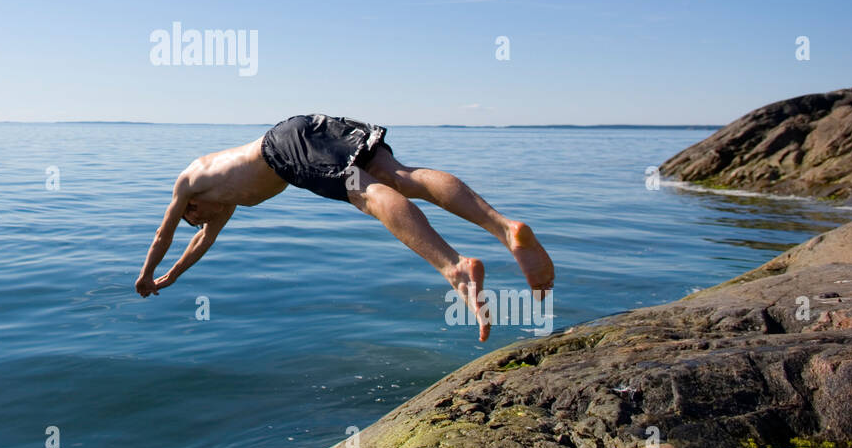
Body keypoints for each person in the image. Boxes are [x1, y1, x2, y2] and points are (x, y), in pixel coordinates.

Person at [134, 113, 554, 341]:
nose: (206, 222)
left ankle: (454, 267)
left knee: (365, 194)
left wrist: (146, 272)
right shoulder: (222, 203)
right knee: (400, 176)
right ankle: (505, 228)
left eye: (198, 216)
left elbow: (164, 234)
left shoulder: (191, 179)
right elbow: (200, 242)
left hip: (284, 146)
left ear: (190, 204)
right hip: (311, 127)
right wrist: (171, 276)